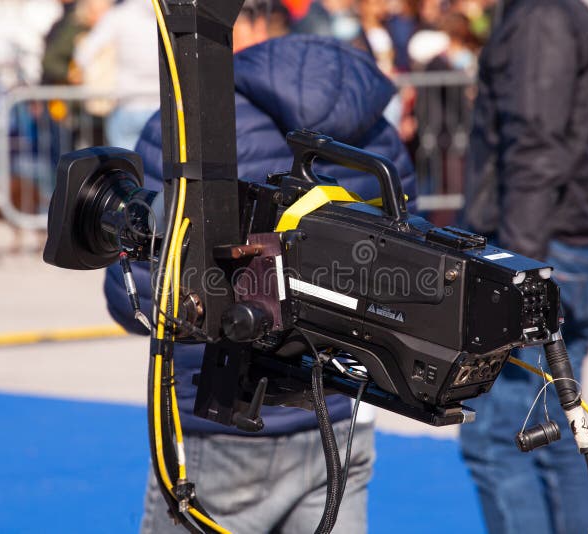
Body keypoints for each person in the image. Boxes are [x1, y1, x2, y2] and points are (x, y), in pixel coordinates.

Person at [104, 2, 417, 533]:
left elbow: (135, 297)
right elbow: (412, 269)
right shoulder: (368, 118)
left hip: (220, 419)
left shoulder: (185, 125)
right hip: (342, 413)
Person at [457, 1, 588, 533]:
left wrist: (518, 275)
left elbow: (536, 146)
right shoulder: (547, 14)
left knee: (500, 437)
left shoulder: (541, 17)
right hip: (557, 242)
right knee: (552, 434)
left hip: (544, 245)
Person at [74, 0, 160, 150]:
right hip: (159, 105)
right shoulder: (162, 16)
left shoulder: (119, 16)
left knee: (126, 166)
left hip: (128, 103)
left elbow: (84, 53)